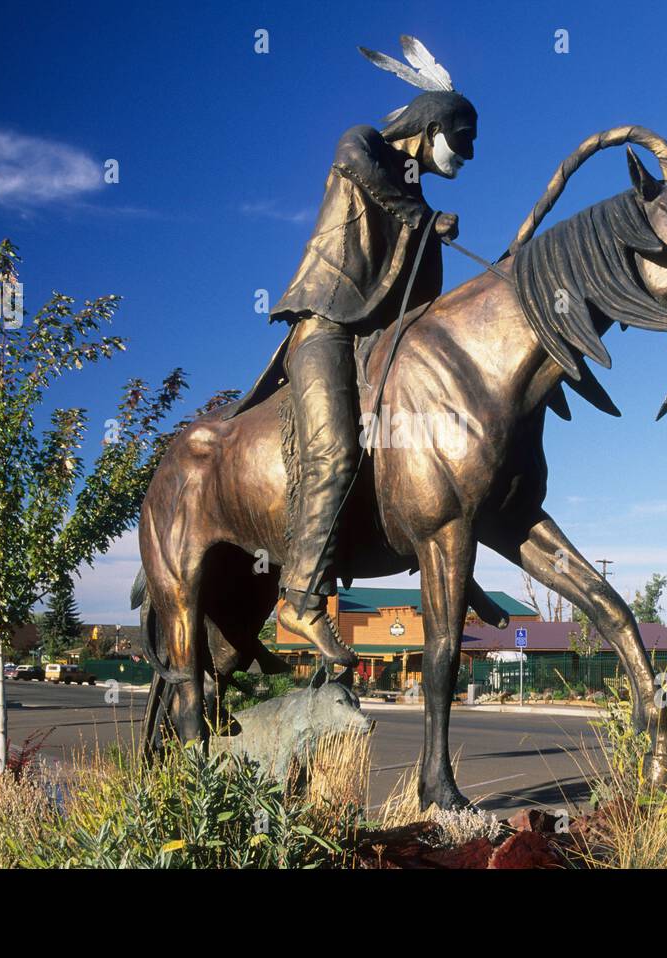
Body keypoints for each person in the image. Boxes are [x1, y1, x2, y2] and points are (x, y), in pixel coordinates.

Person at [232, 38, 477, 665]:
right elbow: (356, 165)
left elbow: (424, 307)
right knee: (335, 451)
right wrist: (420, 217)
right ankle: (302, 599)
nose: (468, 154)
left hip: (378, 342)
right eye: (463, 137)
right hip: (324, 329)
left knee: (425, 446)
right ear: (431, 127)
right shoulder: (364, 143)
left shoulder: (420, 204)